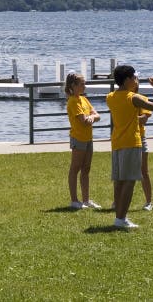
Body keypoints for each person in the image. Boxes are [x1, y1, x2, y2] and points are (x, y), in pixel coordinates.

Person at [105, 66, 153, 229]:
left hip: (117, 143)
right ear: (127, 80)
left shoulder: (110, 97)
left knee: (119, 181)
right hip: (131, 142)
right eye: (134, 78)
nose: (137, 80)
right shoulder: (134, 98)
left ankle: (119, 216)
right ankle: (121, 219)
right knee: (129, 182)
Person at [65, 72, 101, 210]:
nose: (84, 86)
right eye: (82, 84)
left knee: (86, 169)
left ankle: (86, 200)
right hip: (78, 138)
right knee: (75, 168)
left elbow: (97, 115)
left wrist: (92, 117)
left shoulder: (83, 99)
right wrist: (91, 117)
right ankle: (74, 200)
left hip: (88, 138)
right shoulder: (73, 101)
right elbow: (84, 121)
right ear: (73, 85)